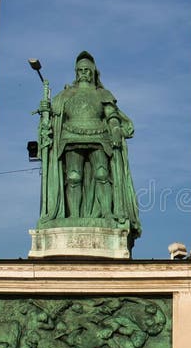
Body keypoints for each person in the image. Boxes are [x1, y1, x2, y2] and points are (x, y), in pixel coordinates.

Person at [37, 51, 140, 242]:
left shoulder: (103, 94)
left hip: (99, 136)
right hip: (70, 137)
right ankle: (74, 216)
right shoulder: (65, 95)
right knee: (73, 176)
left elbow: (111, 114)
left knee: (102, 174)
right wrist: (46, 114)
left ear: (93, 72)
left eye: (87, 70)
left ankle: (108, 213)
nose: (84, 73)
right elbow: (54, 119)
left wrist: (116, 127)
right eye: (80, 70)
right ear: (76, 72)